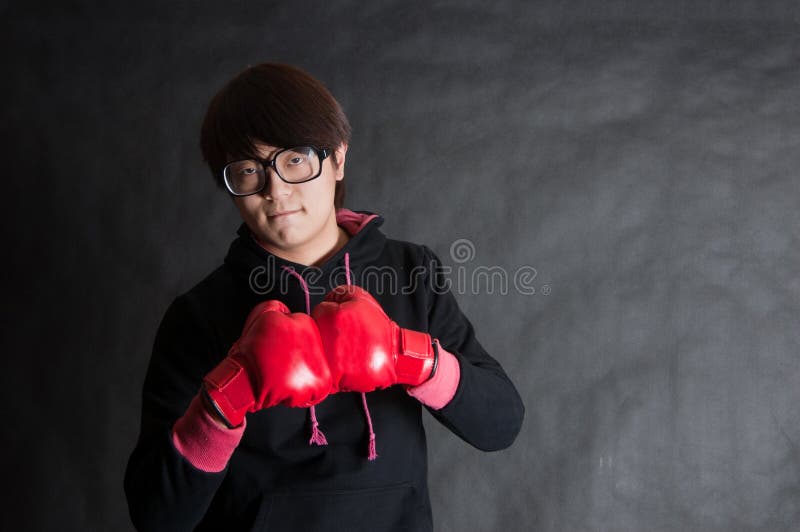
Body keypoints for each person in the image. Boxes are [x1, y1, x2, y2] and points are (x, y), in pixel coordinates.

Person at [124, 62, 524, 532]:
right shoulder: (199, 314)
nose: (275, 190)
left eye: (294, 159)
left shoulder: (411, 273)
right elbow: (157, 516)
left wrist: (414, 359)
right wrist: (224, 403)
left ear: (336, 159)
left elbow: (500, 424)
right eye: (249, 170)